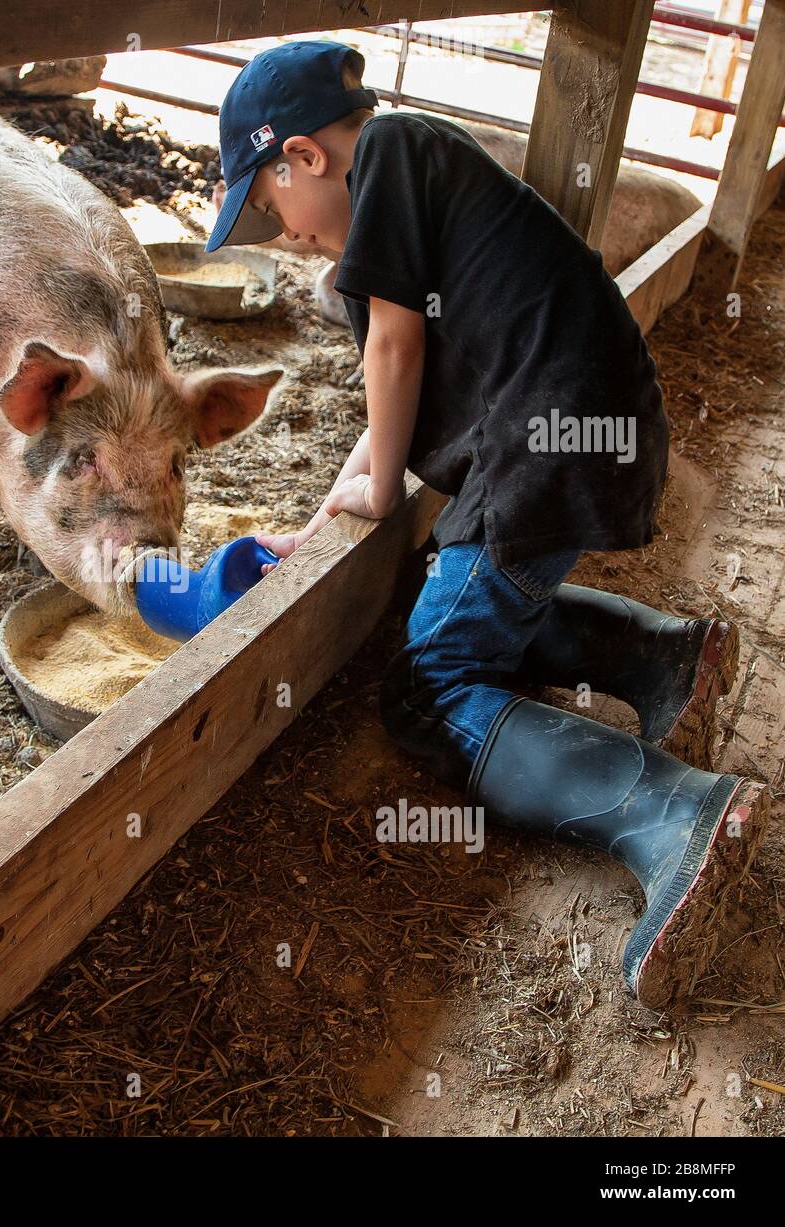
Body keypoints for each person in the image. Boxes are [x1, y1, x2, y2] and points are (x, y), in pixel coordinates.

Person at [205, 39, 768, 1009]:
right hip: (571, 423)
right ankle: (661, 659)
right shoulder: (414, 169)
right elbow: (397, 385)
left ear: (301, 156)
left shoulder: (383, 161)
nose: (282, 234)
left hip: (545, 444)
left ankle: (675, 813)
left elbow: (392, 346)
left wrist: (381, 495)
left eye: (264, 208)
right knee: (459, 598)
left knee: (425, 690)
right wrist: (322, 522)